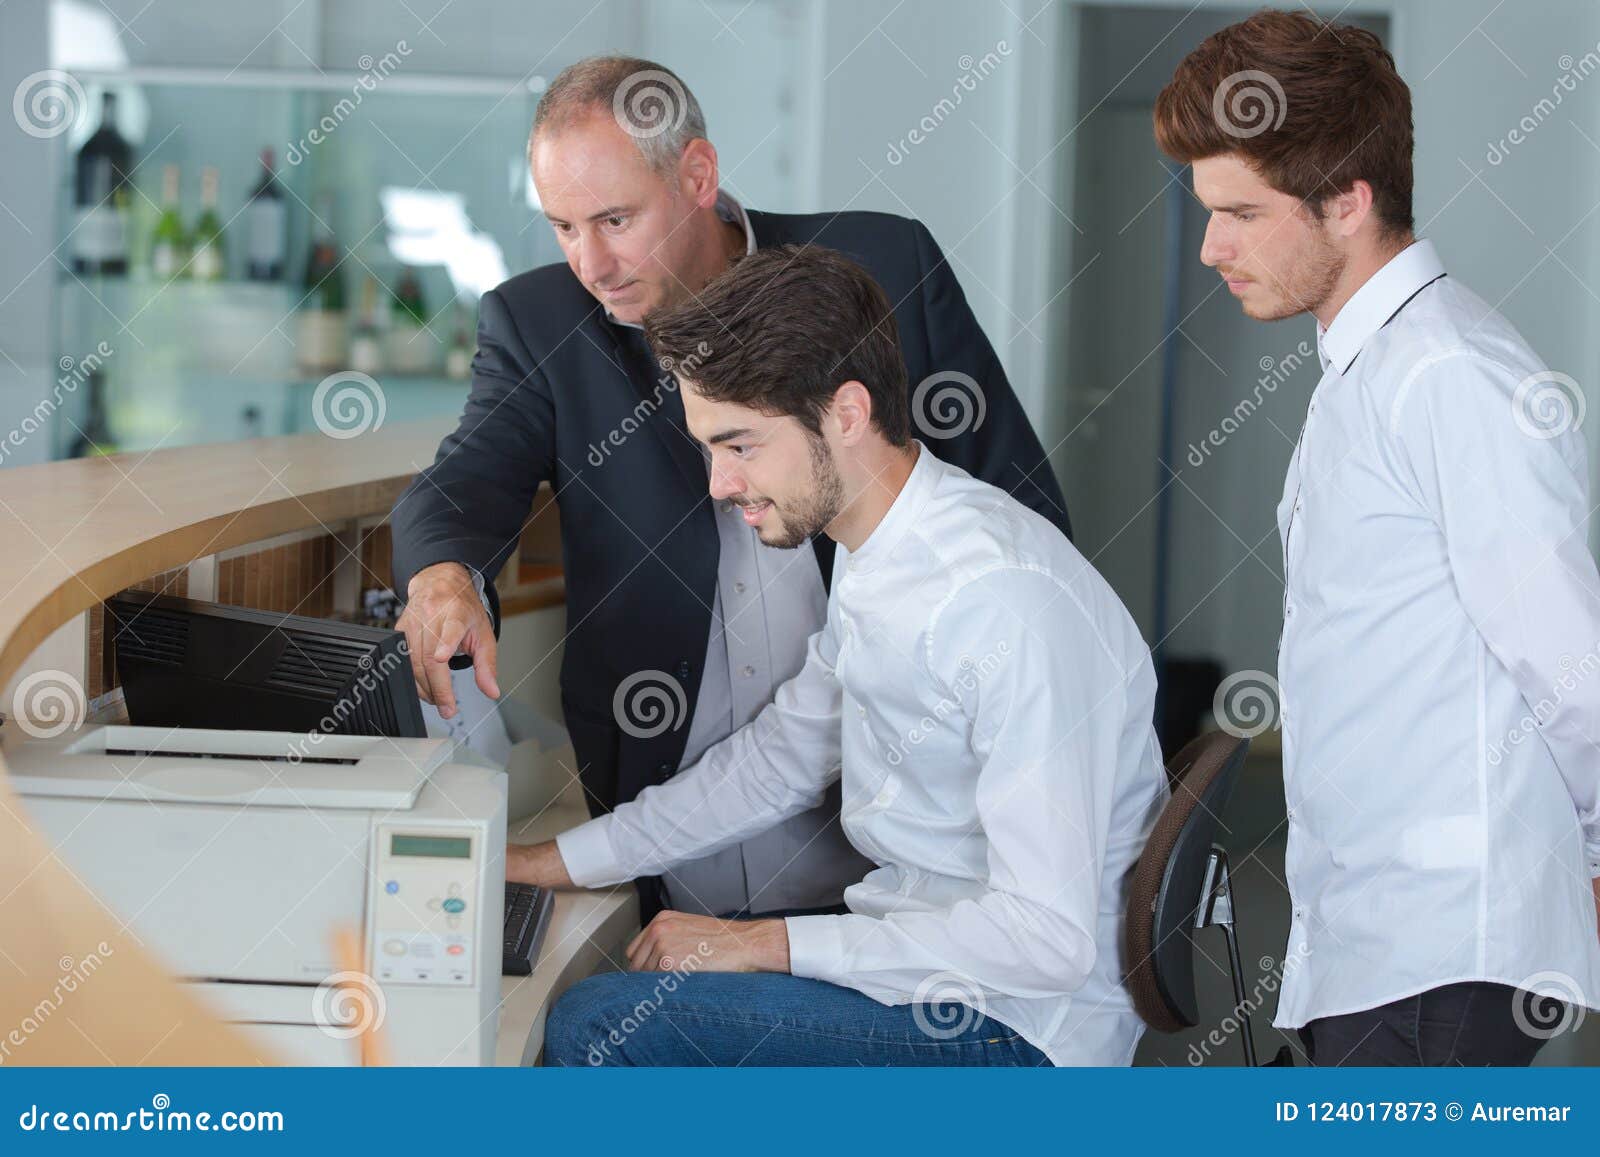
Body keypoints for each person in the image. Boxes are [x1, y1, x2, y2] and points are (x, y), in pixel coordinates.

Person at [390, 56, 1069, 922]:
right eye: (562, 226)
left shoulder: (884, 268)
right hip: (665, 815)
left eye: (615, 219)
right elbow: (464, 480)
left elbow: (1019, 511)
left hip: (897, 838)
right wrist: (443, 573)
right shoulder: (543, 322)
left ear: (697, 176)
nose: (589, 262)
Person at [508, 244, 1167, 1067]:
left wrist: (763, 944)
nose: (717, 483)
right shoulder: (876, 546)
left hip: (1021, 1029)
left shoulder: (998, 597)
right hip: (929, 969)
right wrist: (550, 861)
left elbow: (1046, 940)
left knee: (602, 1025)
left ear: (846, 414)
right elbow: (778, 760)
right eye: (710, 447)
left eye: (741, 445)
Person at [1155, 9, 1600, 1065]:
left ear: (1347, 202)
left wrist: (1587, 851)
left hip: (1439, 940)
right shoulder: (1372, 368)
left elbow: (1568, 660)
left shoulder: (1449, 378)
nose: (1211, 244)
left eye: (1241, 213)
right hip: (1375, 933)